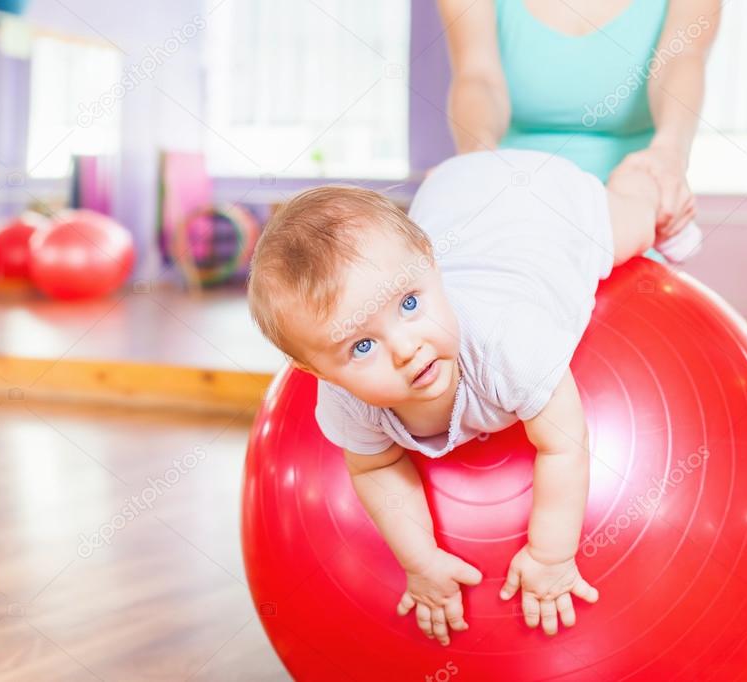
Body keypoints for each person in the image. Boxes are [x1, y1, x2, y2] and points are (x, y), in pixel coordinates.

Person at [247, 148, 669, 644]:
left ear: (431, 263)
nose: (406, 348)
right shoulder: (344, 399)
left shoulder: (509, 343)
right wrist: (421, 562)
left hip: (543, 212)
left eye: (409, 303)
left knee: (638, 227)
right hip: (460, 198)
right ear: (315, 371)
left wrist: (550, 555)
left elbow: (564, 444)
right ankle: (460, 172)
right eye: (362, 346)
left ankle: (642, 179)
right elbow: (375, 467)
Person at [439, 0, 720, 259]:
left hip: (635, 187)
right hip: (516, 195)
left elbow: (681, 58)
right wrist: (478, 154)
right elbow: (477, 75)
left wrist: (669, 151)